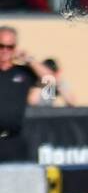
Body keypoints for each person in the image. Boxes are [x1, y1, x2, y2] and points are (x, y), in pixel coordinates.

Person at [0, 26, 56, 162]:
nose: (5, 50)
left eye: (10, 47)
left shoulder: (23, 72)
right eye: (1, 46)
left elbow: (50, 78)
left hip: (13, 140)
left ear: (15, 48)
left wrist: (29, 59)